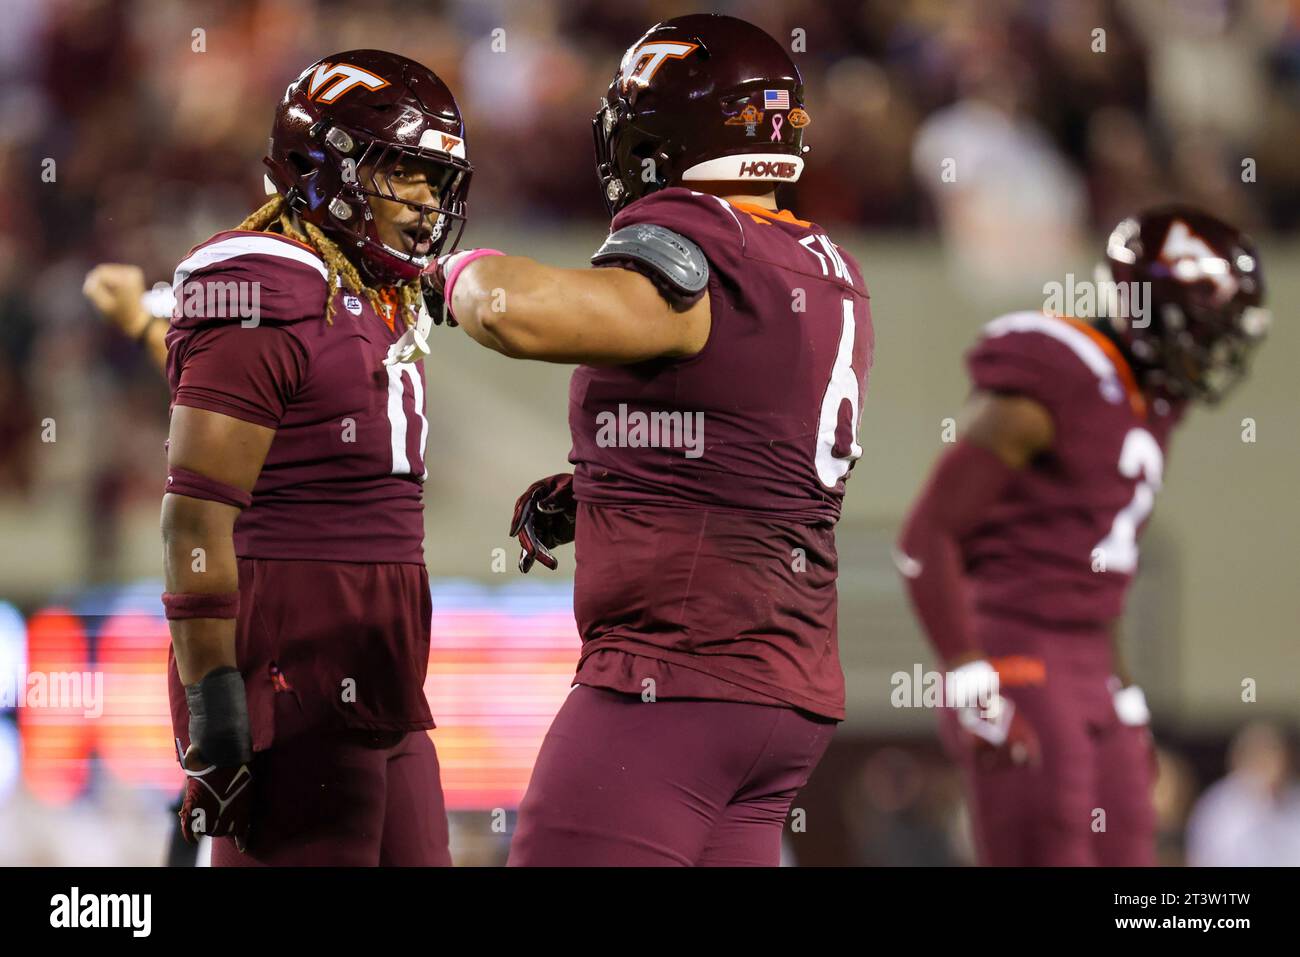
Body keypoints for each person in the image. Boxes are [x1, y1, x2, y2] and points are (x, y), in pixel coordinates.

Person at [427, 13, 873, 866]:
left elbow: (512, 313)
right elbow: (744, 438)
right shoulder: (827, 266)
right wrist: (606, 489)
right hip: (786, 695)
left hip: (676, 679)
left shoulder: (705, 241)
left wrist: (447, 274)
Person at [160, 49, 471, 865]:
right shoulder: (268, 280)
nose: (429, 201)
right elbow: (195, 513)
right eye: (404, 172)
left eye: (437, 179)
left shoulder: (368, 285)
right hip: (295, 675)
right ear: (320, 165)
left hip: (384, 675)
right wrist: (216, 705)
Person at [895, 206, 1269, 865]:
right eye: (1205, 330)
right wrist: (967, 674)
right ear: (1157, 311)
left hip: (1093, 665)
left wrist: (1123, 689)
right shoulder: (1055, 377)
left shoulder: (1149, 401)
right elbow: (928, 534)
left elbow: (1097, 571)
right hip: (1019, 650)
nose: (1213, 352)